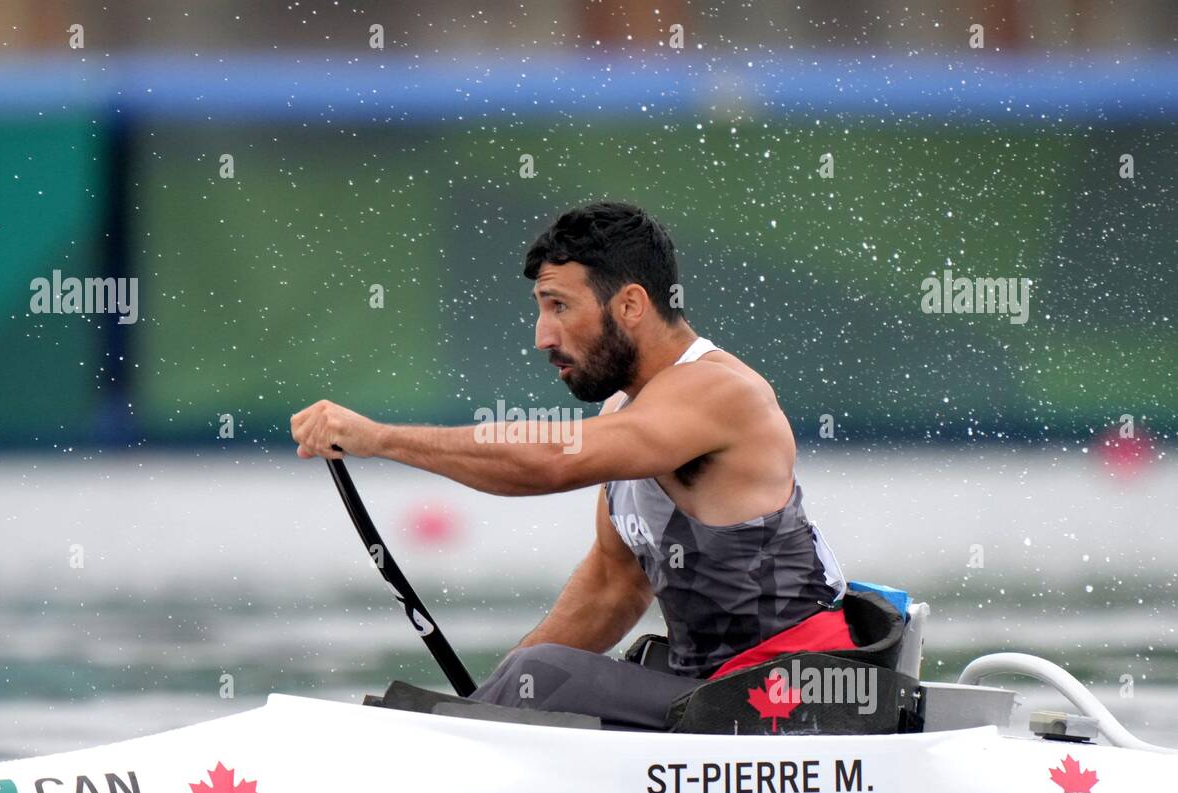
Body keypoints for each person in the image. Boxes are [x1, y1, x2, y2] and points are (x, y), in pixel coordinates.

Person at [291, 201, 849, 729]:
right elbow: (613, 586)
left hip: (796, 701)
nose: (542, 336)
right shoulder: (628, 406)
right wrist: (487, 709)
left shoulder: (719, 392)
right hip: (718, 697)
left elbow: (550, 462)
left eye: (559, 306)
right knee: (533, 674)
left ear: (630, 305)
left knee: (539, 677)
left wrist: (379, 438)